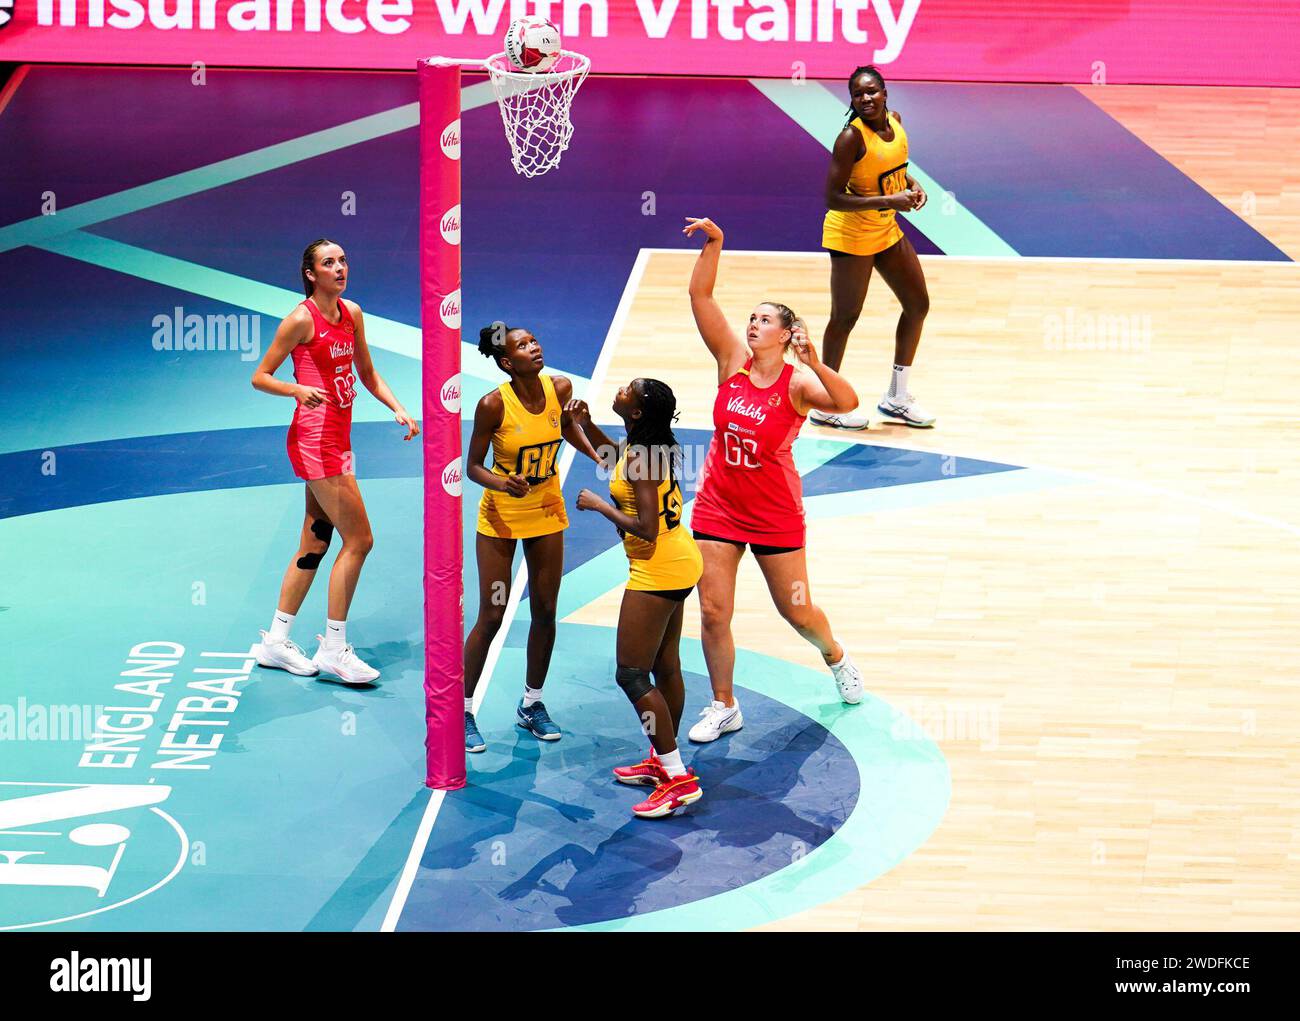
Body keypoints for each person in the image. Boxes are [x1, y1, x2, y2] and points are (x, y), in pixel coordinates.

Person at [682, 216, 866, 744]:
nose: (753, 325)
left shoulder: (799, 382)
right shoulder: (731, 361)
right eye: (752, 318)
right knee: (714, 610)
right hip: (717, 505)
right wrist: (717, 241)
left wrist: (816, 360)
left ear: (786, 334)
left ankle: (835, 656)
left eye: (766, 320)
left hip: (774, 514)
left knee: (797, 610)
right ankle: (724, 704)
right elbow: (700, 296)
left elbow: (848, 403)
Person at [250, 239, 418, 685]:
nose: (340, 268)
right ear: (311, 273)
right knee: (360, 541)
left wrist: (396, 406)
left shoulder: (352, 314)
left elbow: (367, 373)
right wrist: (297, 390)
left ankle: (276, 641)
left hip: (338, 439)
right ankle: (335, 648)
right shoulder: (300, 320)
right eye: (329, 263)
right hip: (315, 441)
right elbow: (260, 376)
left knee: (315, 544)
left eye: (343, 260)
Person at [462, 323, 599, 752]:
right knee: (493, 614)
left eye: (534, 340)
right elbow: (473, 467)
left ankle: (532, 703)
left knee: (544, 610)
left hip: (547, 514)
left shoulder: (559, 388)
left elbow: (565, 430)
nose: (534, 347)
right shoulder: (492, 406)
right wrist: (504, 484)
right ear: (507, 362)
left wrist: (593, 444)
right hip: (502, 519)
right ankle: (461, 710)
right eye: (523, 345)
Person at [572, 378, 704, 818]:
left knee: (630, 675)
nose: (622, 389)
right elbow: (617, 461)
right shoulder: (644, 444)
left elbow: (645, 526)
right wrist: (588, 425)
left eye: (630, 390)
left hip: (658, 569)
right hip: (678, 559)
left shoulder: (646, 457)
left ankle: (677, 778)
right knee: (665, 665)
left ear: (636, 412)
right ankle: (662, 758)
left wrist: (598, 506)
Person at [816, 63, 934, 430]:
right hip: (851, 232)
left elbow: (895, 164)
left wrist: (911, 186)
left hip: (885, 228)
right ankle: (826, 403)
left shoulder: (895, 121)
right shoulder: (850, 138)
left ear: (885, 93)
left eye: (871, 91)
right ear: (851, 100)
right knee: (845, 317)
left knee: (917, 305)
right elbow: (832, 197)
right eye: (857, 94)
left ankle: (897, 397)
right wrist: (889, 201)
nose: (865, 98)